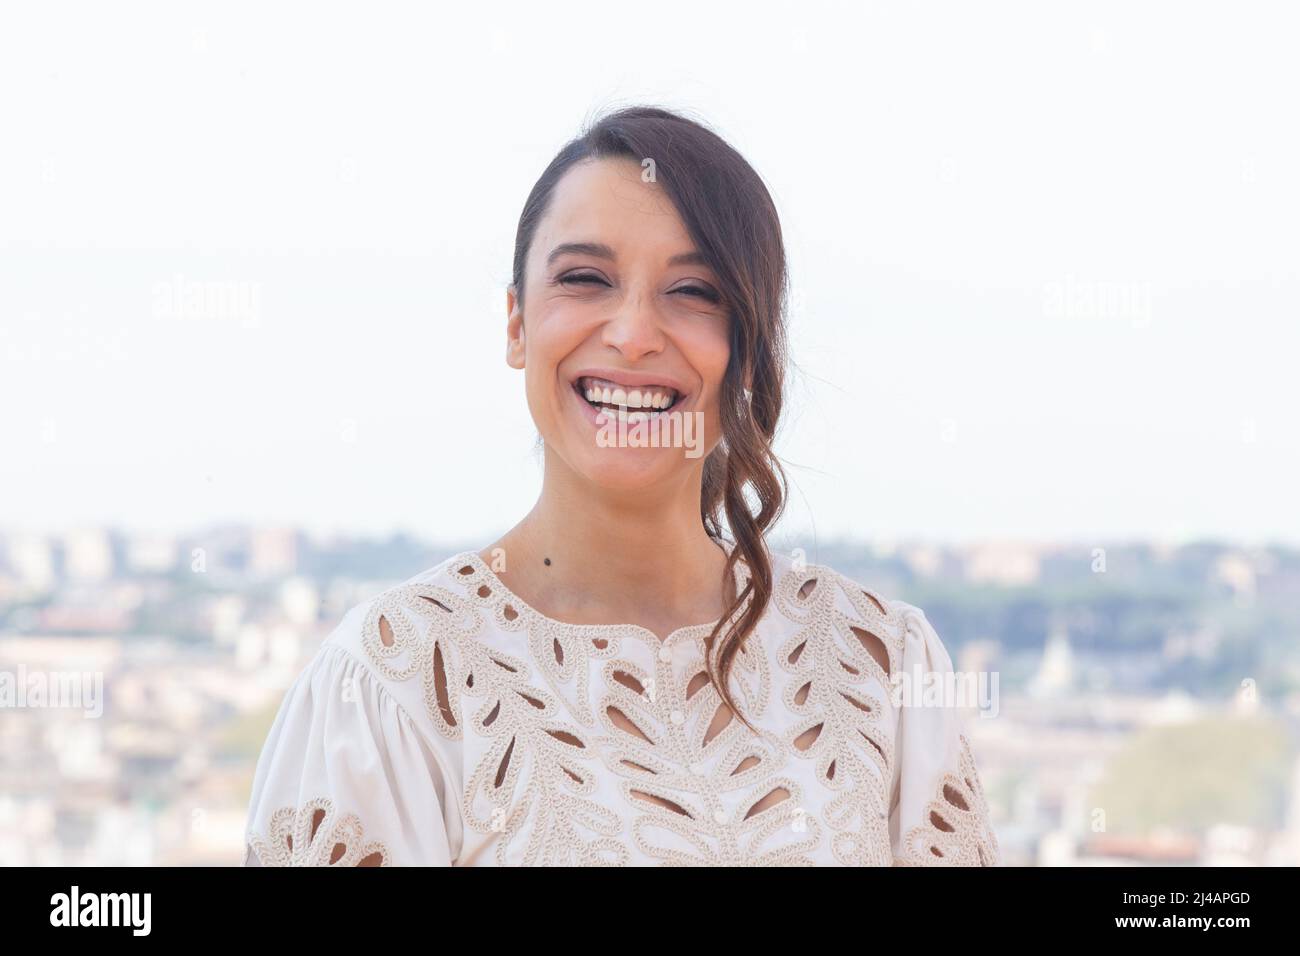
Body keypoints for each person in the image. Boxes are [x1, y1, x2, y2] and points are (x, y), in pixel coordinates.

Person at [243, 105, 999, 867]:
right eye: (585, 279)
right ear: (516, 324)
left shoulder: (883, 670)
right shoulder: (391, 686)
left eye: (694, 290)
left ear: (747, 346)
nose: (634, 333)